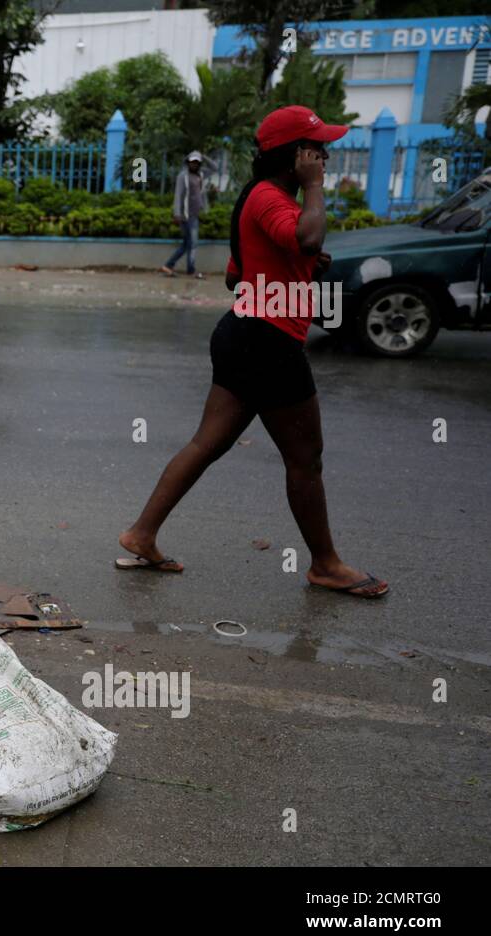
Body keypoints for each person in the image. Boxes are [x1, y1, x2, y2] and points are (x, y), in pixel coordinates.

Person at [118, 106, 389, 599]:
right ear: (295, 157)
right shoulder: (274, 196)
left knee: (208, 443)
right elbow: (307, 235)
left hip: (244, 334)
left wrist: (297, 263)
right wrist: (312, 192)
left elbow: (234, 274)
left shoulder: (260, 197)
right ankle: (326, 565)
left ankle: (142, 534)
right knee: (306, 458)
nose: (325, 156)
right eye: (317, 149)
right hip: (267, 342)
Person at [160, 150, 213, 279]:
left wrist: (203, 155)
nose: (194, 165)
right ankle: (191, 270)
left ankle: (168, 265)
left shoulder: (200, 175)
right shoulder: (182, 176)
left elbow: (214, 167)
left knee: (186, 244)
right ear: (187, 162)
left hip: (195, 214)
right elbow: (178, 195)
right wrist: (177, 213)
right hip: (186, 215)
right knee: (192, 243)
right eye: (191, 162)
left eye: (196, 162)